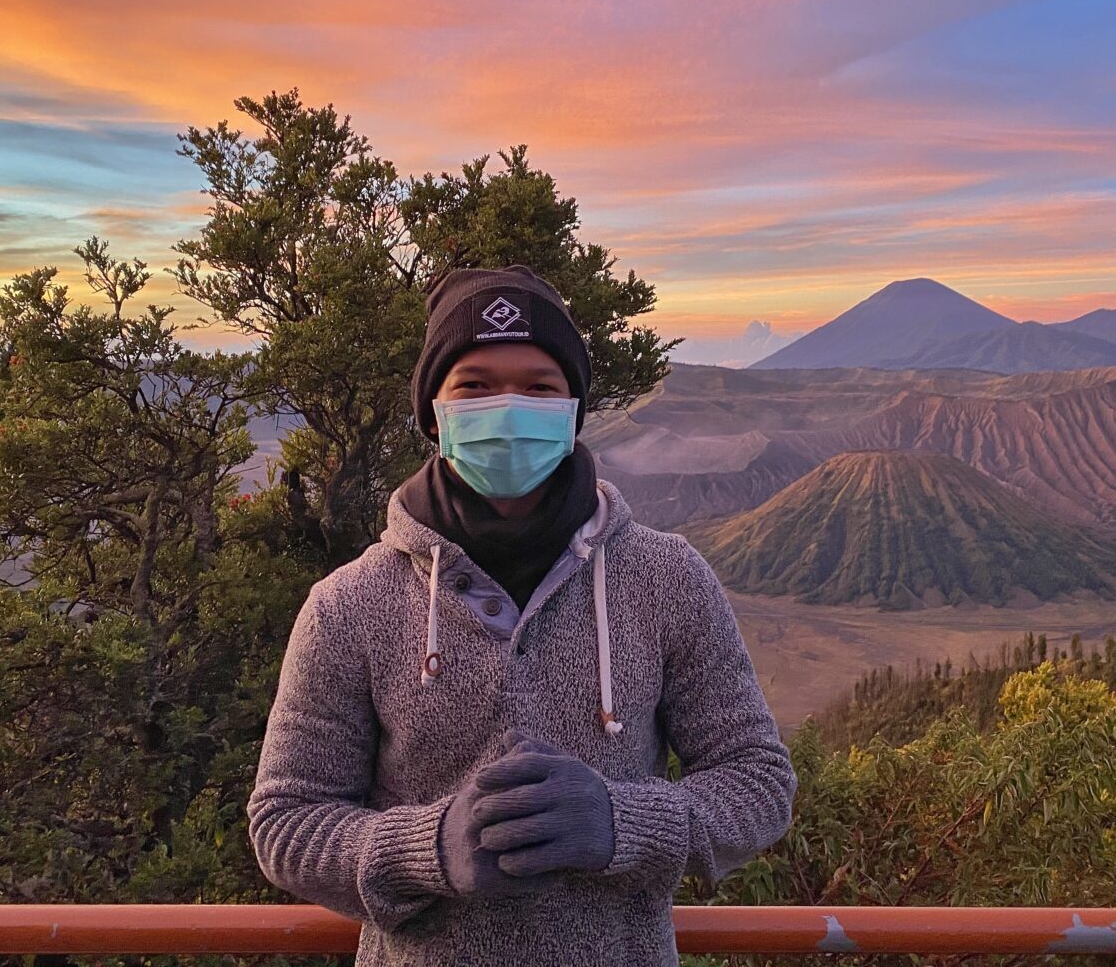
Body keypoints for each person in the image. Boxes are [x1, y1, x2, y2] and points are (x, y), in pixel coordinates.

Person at [248, 265, 795, 966]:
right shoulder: (348, 605)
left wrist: (618, 823)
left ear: (572, 407)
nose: (508, 408)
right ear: (433, 411)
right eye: (474, 385)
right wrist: (430, 848)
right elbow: (286, 822)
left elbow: (757, 781)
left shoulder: (667, 578)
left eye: (539, 386)